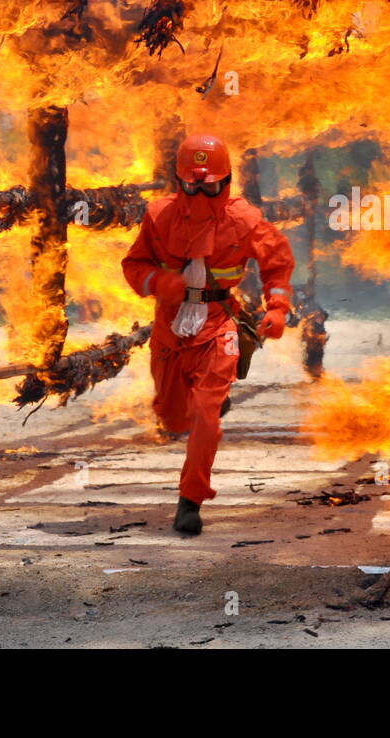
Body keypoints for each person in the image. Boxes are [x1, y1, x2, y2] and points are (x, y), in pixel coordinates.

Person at [122, 134, 295, 535]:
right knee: (171, 414)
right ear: (178, 180)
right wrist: (162, 283)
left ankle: (190, 500)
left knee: (204, 416)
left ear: (227, 181)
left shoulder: (245, 220)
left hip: (218, 324)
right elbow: (134, 266)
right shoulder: (160, 215)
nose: (201, 193)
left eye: (211, 185)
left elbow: (277, 261)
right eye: (193, 184)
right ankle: (202, 406)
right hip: (170, 325)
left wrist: (278, 307)